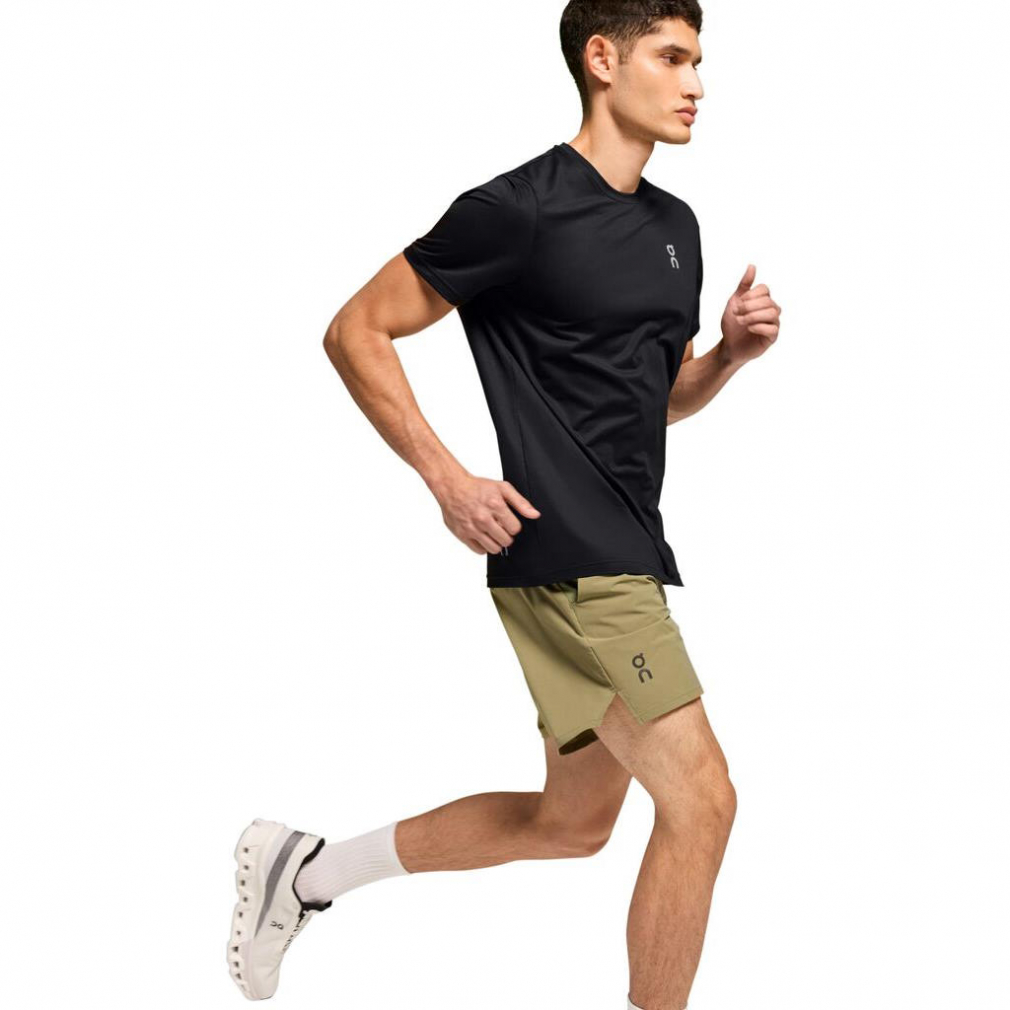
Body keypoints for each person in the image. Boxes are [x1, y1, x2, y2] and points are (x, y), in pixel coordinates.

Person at [226, 3, 782, 1007]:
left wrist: (728, 358)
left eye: (699, 61)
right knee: (703, 801)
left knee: (570, 825)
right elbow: (356, 329)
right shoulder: (518, 208)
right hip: (574, 560)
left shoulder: (675, 229)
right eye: (671, 57)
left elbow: (659, 399)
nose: (696, 83)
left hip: (623, 552)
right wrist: (447, 478)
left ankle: (303, 873)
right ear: (601, 59)